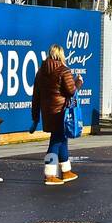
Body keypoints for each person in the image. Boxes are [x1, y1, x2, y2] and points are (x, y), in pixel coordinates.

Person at [30, 44, 78, 186]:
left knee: (62, 139)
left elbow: (36, 96)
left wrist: (35, 118)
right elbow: (71, 91)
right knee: (56, 141)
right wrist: (79, 82)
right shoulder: (64, 71)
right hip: (60, 112)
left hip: (48, 112)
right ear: (61, 55)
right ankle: (49, 174)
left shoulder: (40, 72)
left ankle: (66, 171)